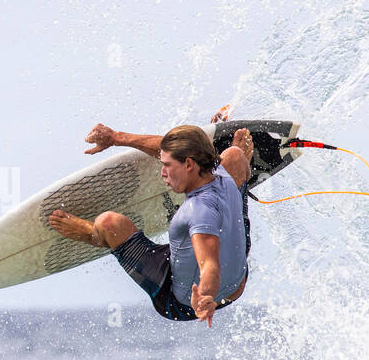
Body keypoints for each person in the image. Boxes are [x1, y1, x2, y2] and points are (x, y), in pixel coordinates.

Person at [47, 109, 253, 327]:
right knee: (234, 157)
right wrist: (116, 137)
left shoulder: (198, 211)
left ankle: (93, 234)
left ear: (189, 165)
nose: (162, 172)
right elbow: (169, 150)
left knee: (109, 224)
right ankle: (244, 167)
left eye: (166, 166)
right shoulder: (221, 174)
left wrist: (205, 297)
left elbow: (210, 265)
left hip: (182, 300)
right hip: (237, 282)